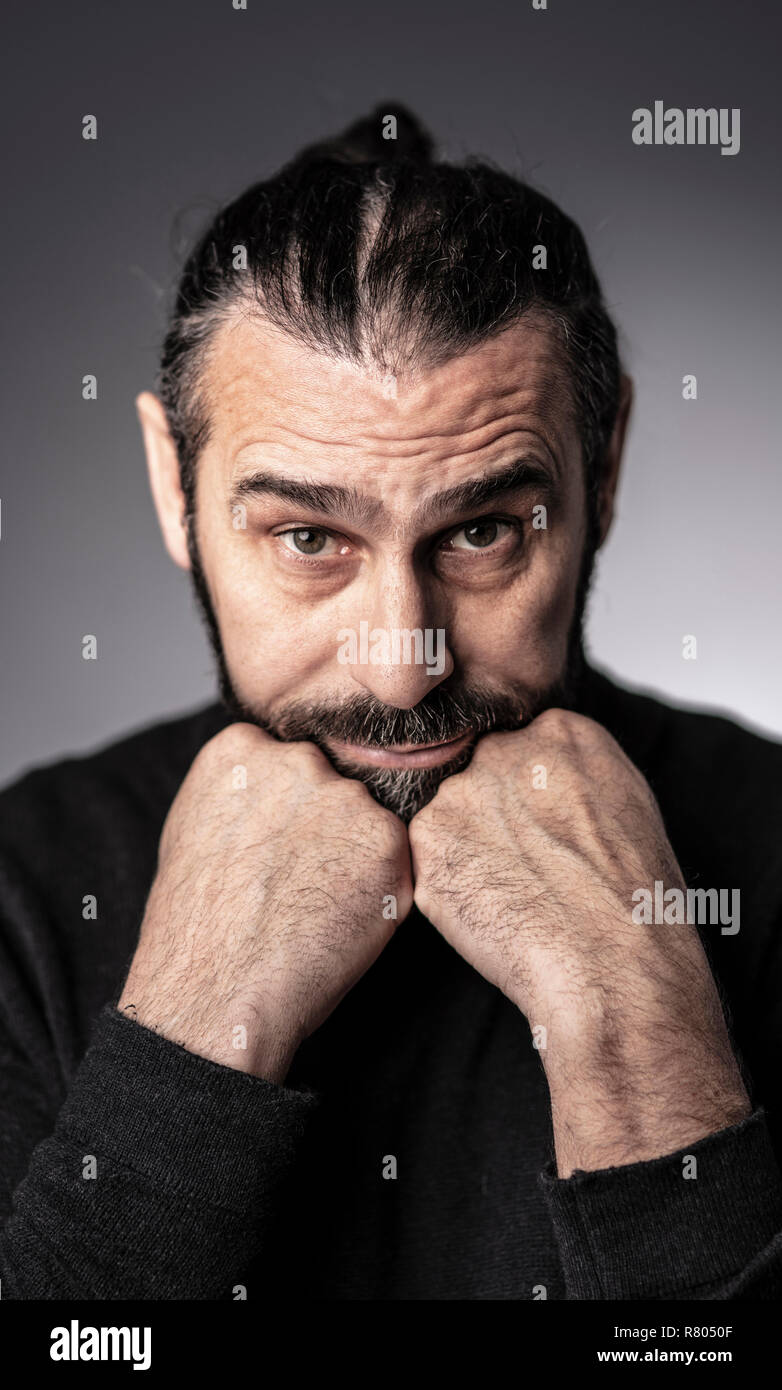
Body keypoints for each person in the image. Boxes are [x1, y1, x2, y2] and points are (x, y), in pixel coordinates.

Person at [2, 104, 781, 1300]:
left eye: (478, 532)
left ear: (605, 466)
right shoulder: (21, 890)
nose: (402, 664)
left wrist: (640, 1038)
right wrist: (184, 1053)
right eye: (308, 535)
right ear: (173, 487)